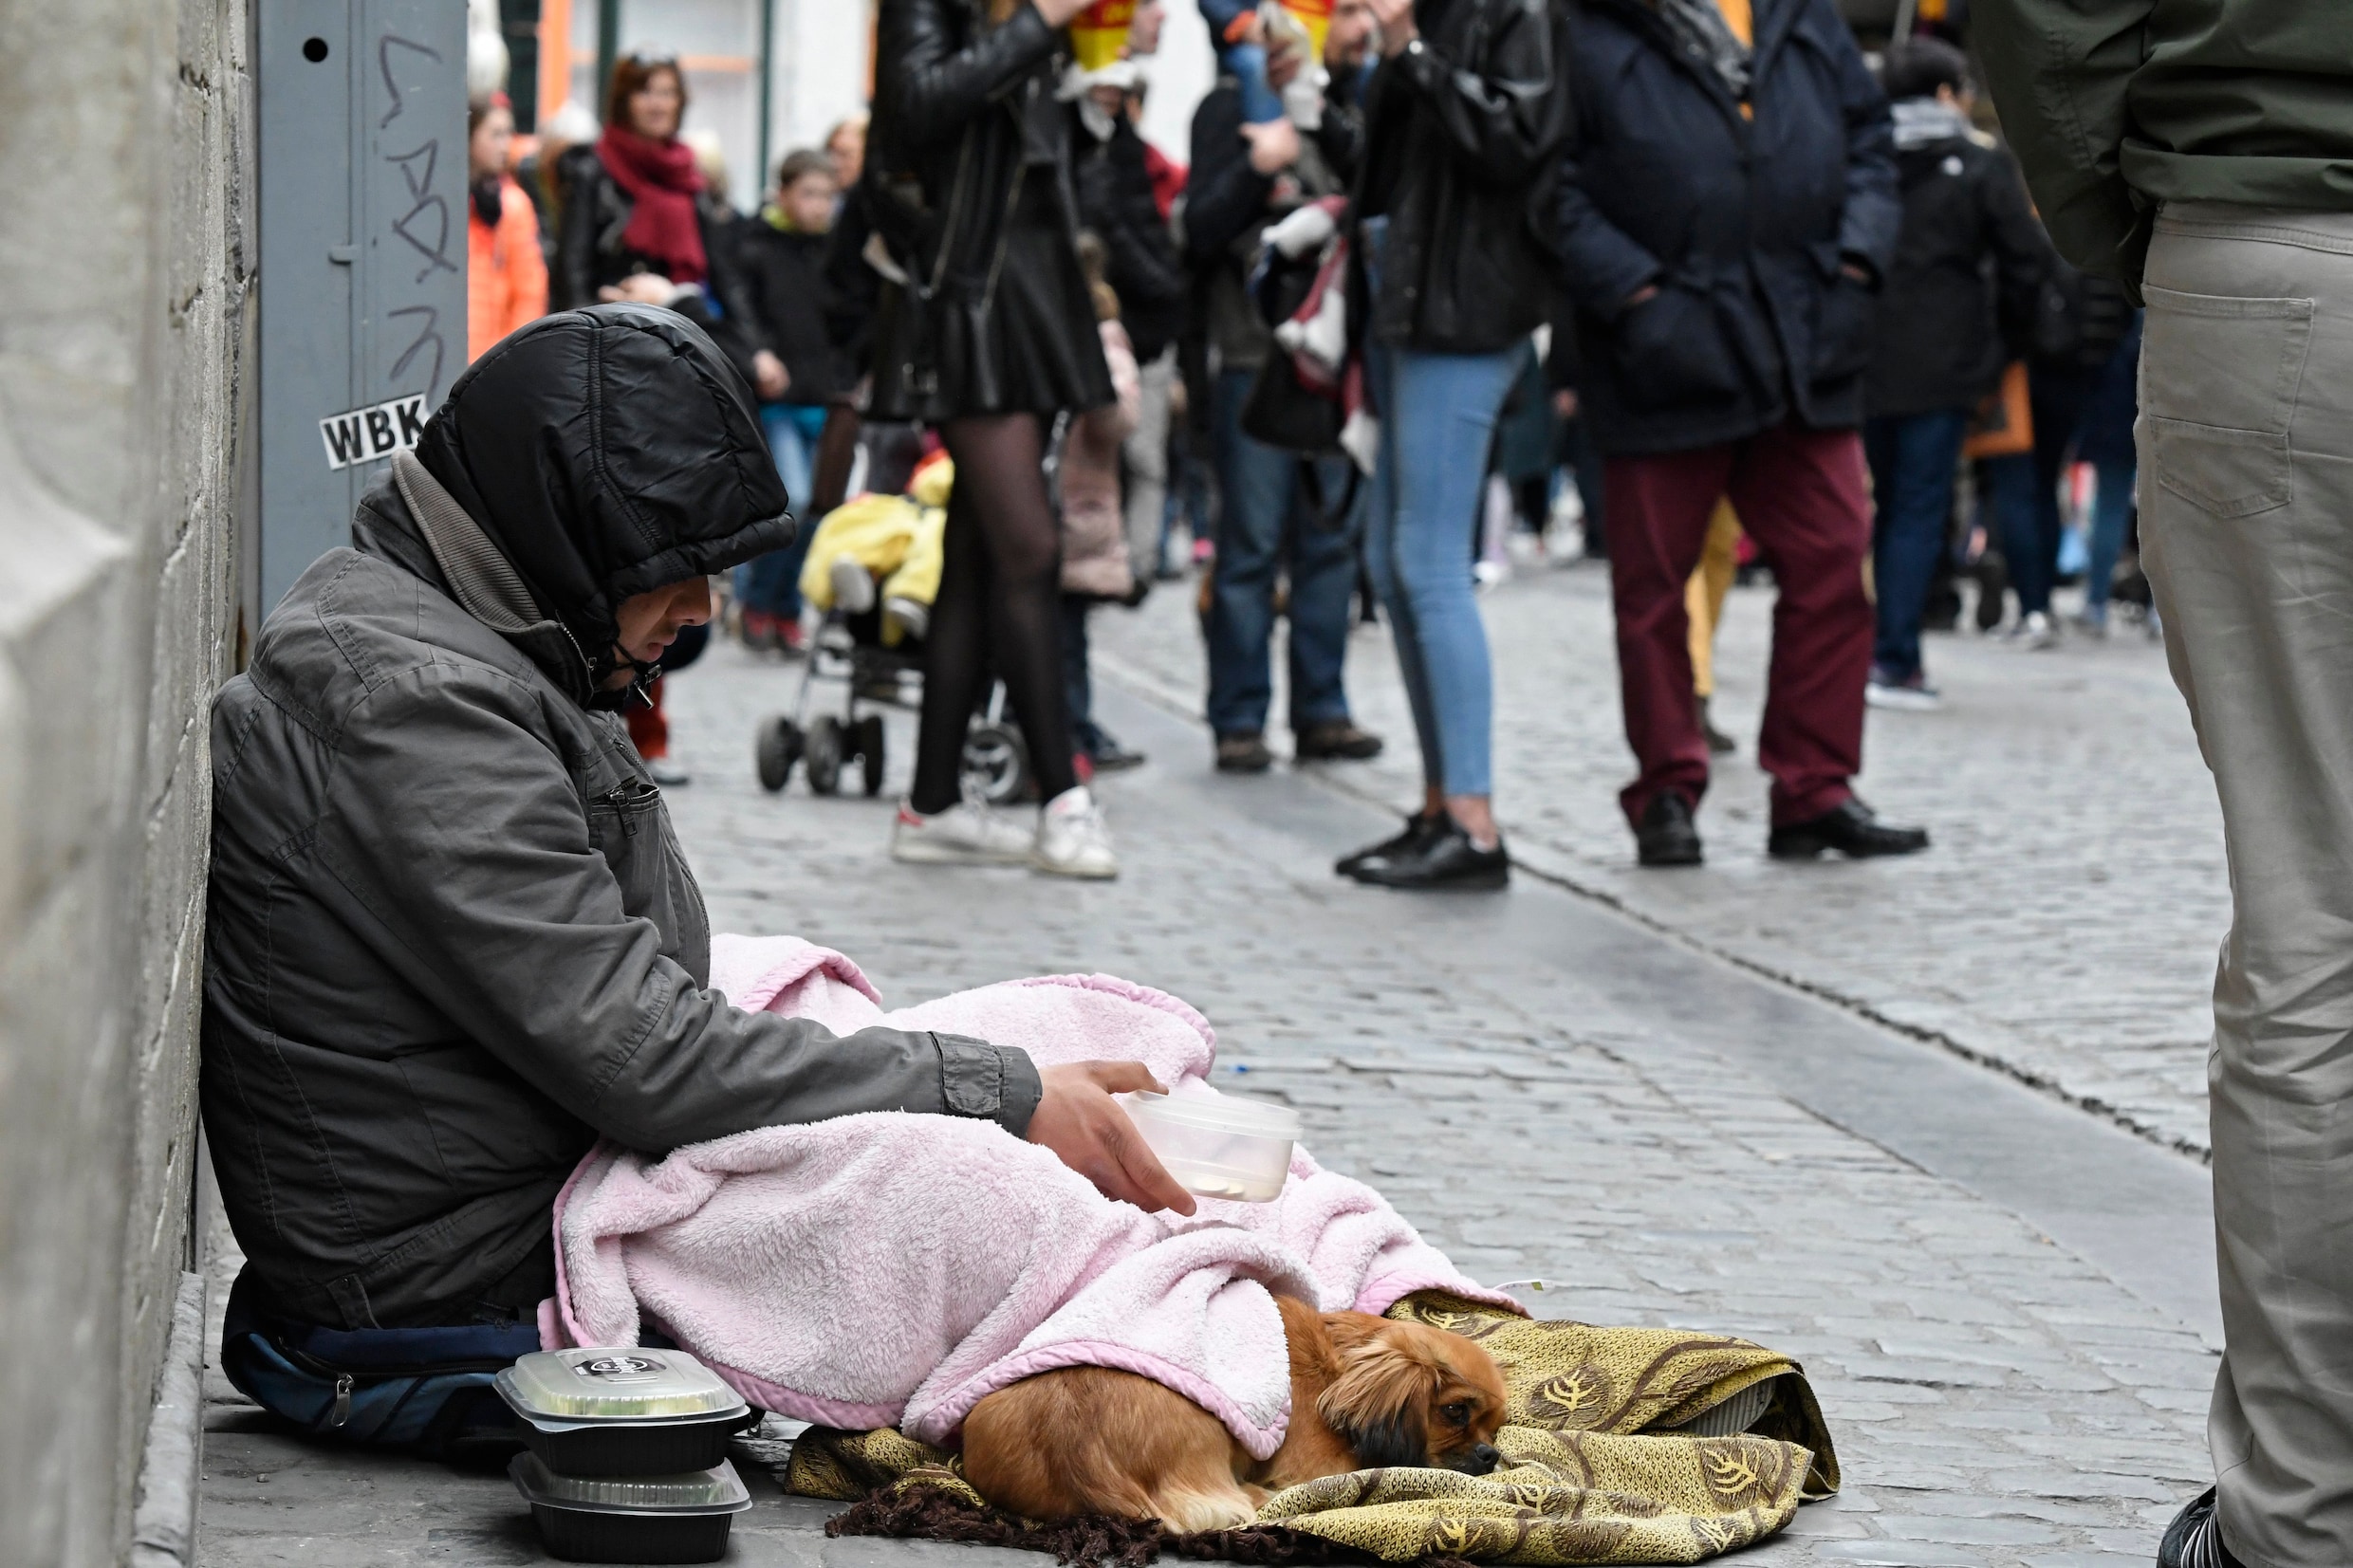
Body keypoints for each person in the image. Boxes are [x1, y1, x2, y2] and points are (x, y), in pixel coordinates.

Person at [200, 305, 1192, 1344]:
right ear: (561, 532)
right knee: (998, 1193)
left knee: (1056, 1050)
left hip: (531, 1160)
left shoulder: (477, 626)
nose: (701, 610)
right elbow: (646, 1061)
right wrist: (994, 1095)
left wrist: (988, 1078)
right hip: (458, 1262)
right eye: (668, 571)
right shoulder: (418, 708)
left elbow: (622, 1024)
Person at [1975, 5, 2353, 1564]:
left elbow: (2044, 17)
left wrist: (2153, 206)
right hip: (2266, 216)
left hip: (2279, 241)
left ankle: (2303, 1515)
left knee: (2319, 913)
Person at [1553, 0, 1928, 869]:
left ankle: (1814, 791)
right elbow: (1554, 186)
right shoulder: (1587, 28)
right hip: (1664, 351)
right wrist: (1639, 298)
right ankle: (1667, 791)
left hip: (1805, 334)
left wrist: (1859, 262)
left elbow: (1868, 143)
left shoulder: (1803, 15)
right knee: (1654, 590)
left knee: (1835, 559)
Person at [868, 0, 1121, 879]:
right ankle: (1063, 796)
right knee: (1027, 547)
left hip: (1035, 293)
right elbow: (914, 107)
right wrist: (1042, 25)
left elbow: (1040, 164)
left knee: (980, 555)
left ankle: (932, 802)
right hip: (969, 294)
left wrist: (1092, 100)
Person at [1332, 0, 1571, 891]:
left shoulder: (1515, 12)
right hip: (1409, 300)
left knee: (1428, 562)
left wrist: (1412, 52)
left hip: (1467, 309)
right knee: (1393, 562)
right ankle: (1441, 804)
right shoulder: (1435, 19)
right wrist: (1348, 76)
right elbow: (1385, 167)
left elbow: (1515, 143)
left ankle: (1472, 819)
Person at [1187, 0, 1385, 775]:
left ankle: (1321, 708)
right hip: (1252, 355)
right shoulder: (1227, 110)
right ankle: (1238, 717)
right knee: (1249, 547)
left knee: (1330, 541)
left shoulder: (1353, 107)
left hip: (1336, 358)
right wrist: (1255, 166)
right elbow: (1197, 231)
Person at [1858, 37, 2049, 710]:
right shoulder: (1975, 164)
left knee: (1885, 506)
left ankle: (1879, 645)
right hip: (1946, 362)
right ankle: (1896, 658)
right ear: (1945, 95)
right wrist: (2005, 345)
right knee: (1918, 506)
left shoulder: (1863, 158)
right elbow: (2026, 261)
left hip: (1864, 359)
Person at [552, 50, 776, 408]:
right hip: (613, 341)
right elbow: (572, 271)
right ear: (624, 101)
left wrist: (756, 349)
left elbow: (726, 277)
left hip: (678, 340)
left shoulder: (690, 177)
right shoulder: (592, 169)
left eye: (668, 93)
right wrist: (580, 349)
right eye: (646, 92)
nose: (658, 104)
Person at [735, 148, 850, 655]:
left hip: (824, 397)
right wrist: (759, 355)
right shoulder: (758, 247)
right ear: (783, 194)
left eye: (827, 195)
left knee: (819, 512)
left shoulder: (836, 253)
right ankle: (759, 601)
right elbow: (744, 314)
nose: (819, 206)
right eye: (808, 193)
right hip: (778, 399)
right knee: (793, 501)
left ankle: (785, 611)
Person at [1060, 233, 1145, 771]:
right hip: (1036, 505)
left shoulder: (1103, 341)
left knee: (1067, 633)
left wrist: (1089, 374)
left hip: (1077, 511)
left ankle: (1075, 728)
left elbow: (1119, 421)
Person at [466, 93, 548, 363]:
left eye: (508, 134)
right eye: (496, 134)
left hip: (490, 359)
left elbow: (529, 291)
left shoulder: (512, 204)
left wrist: (513, 357)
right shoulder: (445, 202)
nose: (506, 146)